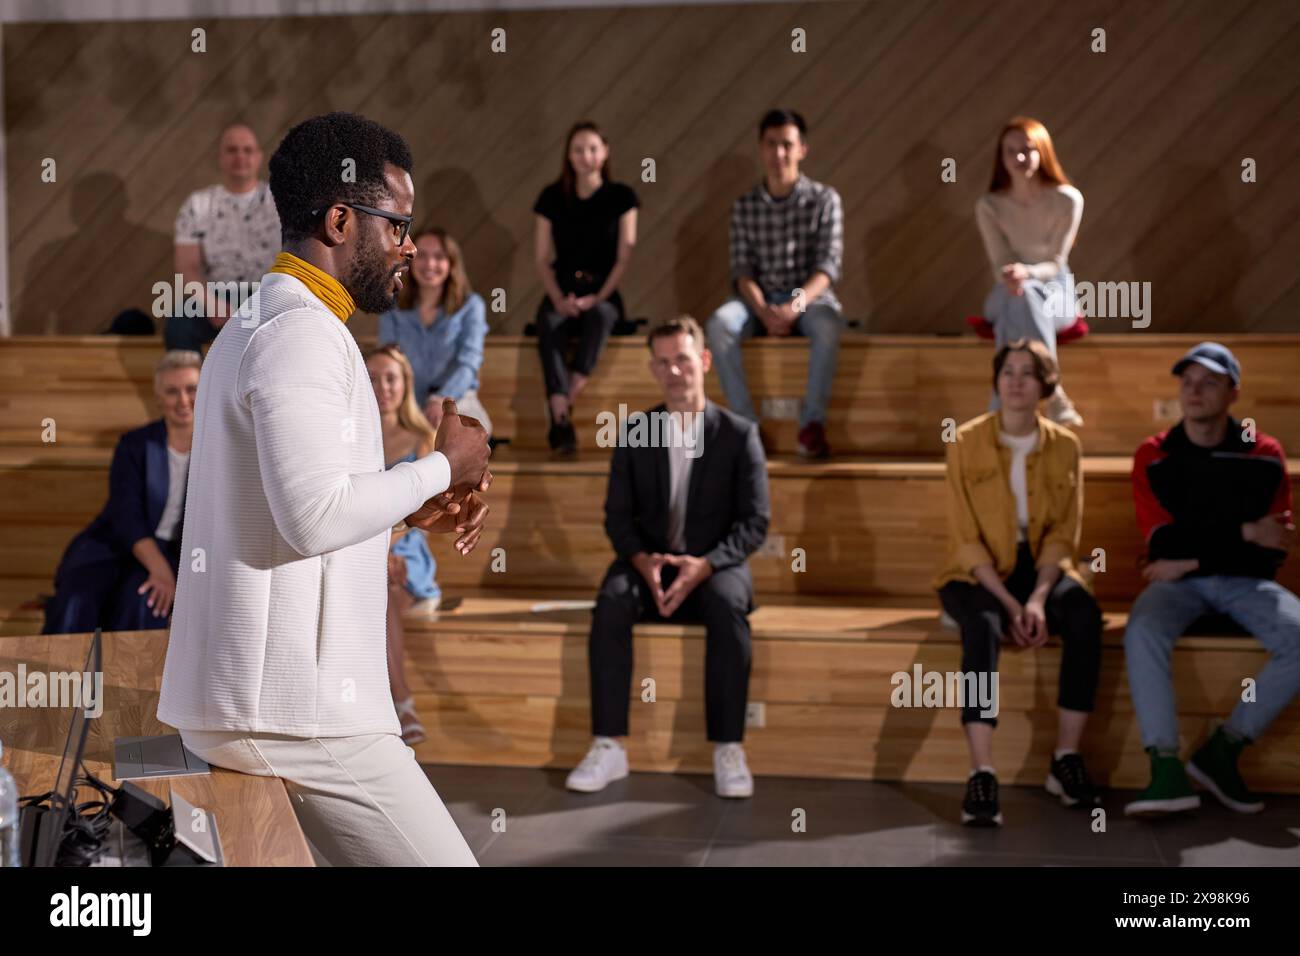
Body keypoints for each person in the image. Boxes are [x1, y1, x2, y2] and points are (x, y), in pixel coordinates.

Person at [157, 112, 492, 867]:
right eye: (399, 224)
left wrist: (409, 511)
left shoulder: (262, 321)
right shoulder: (302, 332)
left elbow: (280, 512)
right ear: (342, 220)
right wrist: (446, 465)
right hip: (296, 717)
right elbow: (311, 518)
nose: (409, 246)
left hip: (261, 703)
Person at [566, 316, 770, 799]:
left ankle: (727, 748)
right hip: (648, 563)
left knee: (729, 609)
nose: (674, 371)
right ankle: (609, 745)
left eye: (682, 359)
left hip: (715, 565)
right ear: (653, 370)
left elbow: (755, 523)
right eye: (663, 362)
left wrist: (707, 564)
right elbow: (617, 517)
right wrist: (641, 561)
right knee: (612, 600)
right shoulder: (638, 430)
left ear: (703, 361)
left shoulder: (740, 434)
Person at [1123, 342, 1298, 817]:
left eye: (1210, 382)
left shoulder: (1264, 454)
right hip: (1175, 586)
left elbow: (1271, 552)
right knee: (1142, 629)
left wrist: (1191, 558)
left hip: (1245, 582)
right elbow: (1163, 546)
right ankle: (1164, 767)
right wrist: (1241, 532)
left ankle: (1223, 750)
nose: (1195, 391)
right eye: (1187, 382)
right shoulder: (1153, 456)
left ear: (1233, 393)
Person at [935, 339, 1103, 827]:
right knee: (983, 625)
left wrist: (1038, 598)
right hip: (976, 571)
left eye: (1027, 373)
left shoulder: (1066, 446)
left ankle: (1065, 758)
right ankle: (981, 770)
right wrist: (1014, 606)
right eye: (1007, 371)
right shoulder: (964, 441)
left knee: (1086, 619)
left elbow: (1062, 535)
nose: (1014, 381)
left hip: (1041, 569)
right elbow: (964, 537)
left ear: (1045, 385)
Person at [706, 108, 844, 459]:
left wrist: (795, 305)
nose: (779, 154)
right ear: (761, 149)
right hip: (758, 299)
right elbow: (741, 271)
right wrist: (765, 311)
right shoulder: (745, 206)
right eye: (771, 145)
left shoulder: (824, 199)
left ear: (802, 150)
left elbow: (827, 267)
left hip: (808, 299)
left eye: (787, 145)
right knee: (719, 324)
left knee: (828, 326)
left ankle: (812, 425)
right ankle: (746, 427)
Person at [42, 351, 200, 634]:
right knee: (77, 600)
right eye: (172, 391)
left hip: (176, 552)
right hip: (117, 544)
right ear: (158, 398)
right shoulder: (134, 445)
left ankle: (121, 679)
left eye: (192, 389)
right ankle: (61, 677)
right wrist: (160, 570)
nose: (183, 401)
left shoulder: (217, 447)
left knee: (145, 602)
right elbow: (126, 513)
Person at [533, 121, 639, 454]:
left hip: (603, 289)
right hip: (562, 288)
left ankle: (561, 409)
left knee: (601, 319)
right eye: (578, 149)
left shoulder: (622, 197)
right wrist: (557, 298)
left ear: (605, 152)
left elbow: (624, 257)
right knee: (548, 324)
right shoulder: (551, 197)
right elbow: (540, 259)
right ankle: (561, 414)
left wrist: (598, 297)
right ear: (568, 155)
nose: (586, 156)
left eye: (593, 148)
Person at [975, 116, 1085, 427]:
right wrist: (1012, 277)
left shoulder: (1067, 199)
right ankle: (1054, 395)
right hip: (1006, 289)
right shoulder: (989, 205)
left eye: (1027, 149)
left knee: (1027, 298)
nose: (1019, 158)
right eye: (1011, 151)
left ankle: (1000, 405)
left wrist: (1027, 274)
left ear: (1043, 152)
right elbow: (999, 264)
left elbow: (1056, 262)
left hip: (1056, 290)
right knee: (1018, 298)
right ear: (1001, 157)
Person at [366, 343, 443, 746]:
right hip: (361, 547)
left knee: (387, 588)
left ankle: (400, 703)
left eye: (390, 378)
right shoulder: (350, 436)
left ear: (405, 383)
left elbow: (425, 514)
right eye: (373, 378)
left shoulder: (422, 437)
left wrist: (389, 549)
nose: (382, 387)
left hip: (405, 551)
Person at [167, 123, 281, 351]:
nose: (240, 156)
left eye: (247, 150)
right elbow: (187, 267)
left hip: (269, 293)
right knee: (179, 322)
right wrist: (210, 304)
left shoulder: (279, 201)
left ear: (258, 157)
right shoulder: (197, 204)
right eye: (232, 150)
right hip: (217, 294)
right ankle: (189, 386)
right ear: (220, 158)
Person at [378, 227, 492, 435]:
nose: (430, 264)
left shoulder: (471, 306)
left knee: (454, 434)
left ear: (451, 264)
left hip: (458, 400)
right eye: (423, 256)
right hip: (408, 401)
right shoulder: (393, 307)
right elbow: (389, 360)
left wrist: (442, 399)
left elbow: (469, 362)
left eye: (439, 257)